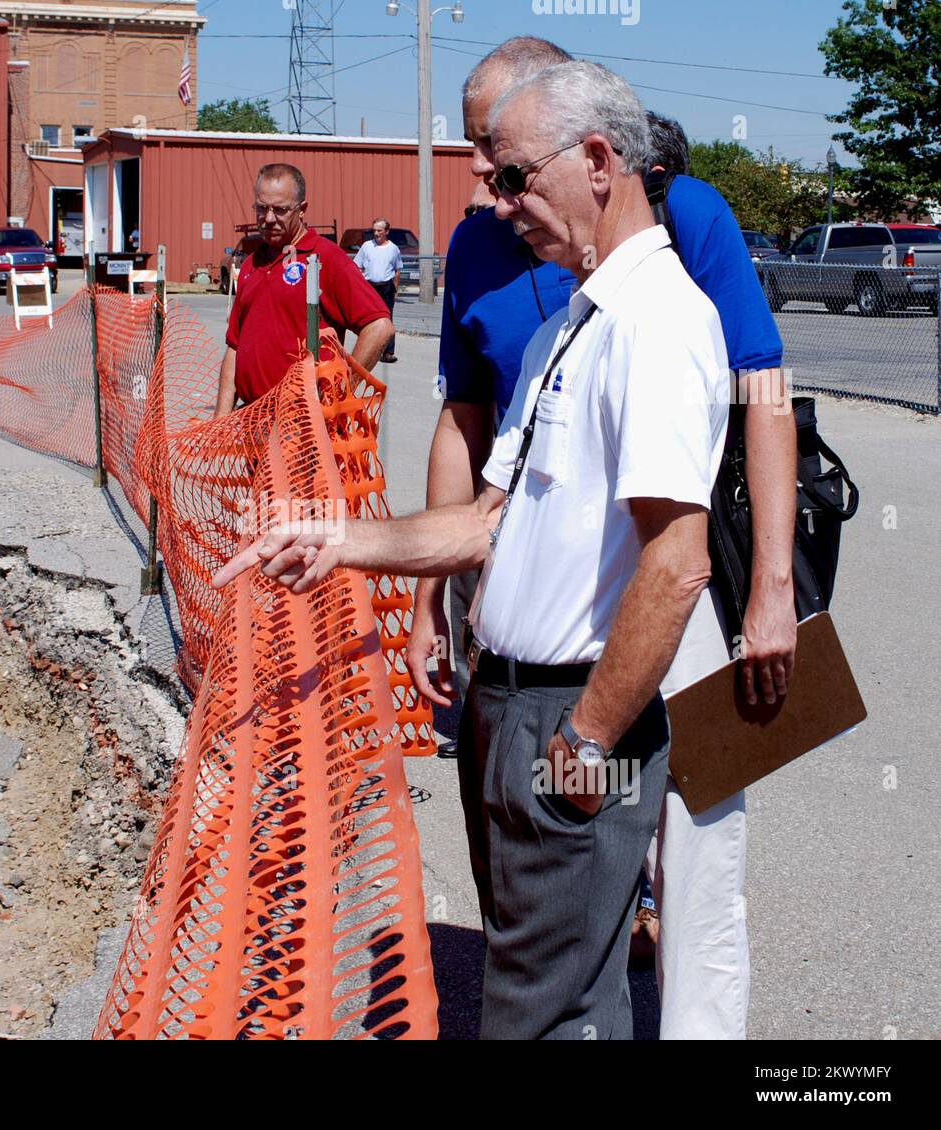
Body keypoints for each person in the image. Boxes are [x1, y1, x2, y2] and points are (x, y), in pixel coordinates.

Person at [217, 61, 731, 1040]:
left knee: (534, 1009)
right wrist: (339, 538)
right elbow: (483, 521)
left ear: (594, 161)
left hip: (573, 711)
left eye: (510, 178)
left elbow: (676, 563)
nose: (493, 205)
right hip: (507, 702)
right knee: (563, 995)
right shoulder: (565, 332)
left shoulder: (659, 324)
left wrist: (585, 742)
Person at [407, 36, 796, 1040]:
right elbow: (465, 417)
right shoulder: (480, 243)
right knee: (563, 846)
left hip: (681, 573)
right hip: (552, 586)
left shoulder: (684, 212)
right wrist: (425, 601)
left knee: (702, 837)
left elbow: (763, 392)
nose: (485, 177)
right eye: (477, 150)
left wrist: (771, 591)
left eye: (503, 155)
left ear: (571, 143)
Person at [215, 164, 393, 416]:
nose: (268, 219)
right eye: (261, 208)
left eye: (280, 210)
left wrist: (339, 394)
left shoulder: (326, 259)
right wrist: (221, 419)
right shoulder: (250, 265)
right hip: (253, 422)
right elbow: (235, 346)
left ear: (302, 209)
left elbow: (379, 327)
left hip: (304, 429)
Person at [353, 218, 403, 363]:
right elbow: (357, 266)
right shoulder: (367, 246)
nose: (376, 233)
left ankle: (388, 352)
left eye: (379, 230)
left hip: (386, 287)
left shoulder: (393, 249)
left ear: (386, 231)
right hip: (369, 287)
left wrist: (396, 290)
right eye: (374, 230)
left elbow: (397, 270)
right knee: (367, 319)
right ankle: (366, 349)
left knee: (387, 319)